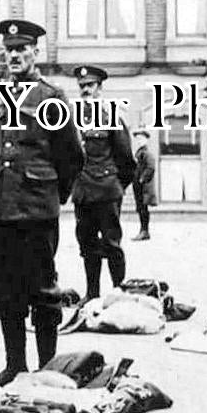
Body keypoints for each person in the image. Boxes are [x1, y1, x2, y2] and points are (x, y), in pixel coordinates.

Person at [0, 21, 84, 386]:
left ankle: (48, 368)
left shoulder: (50, 97)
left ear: (35, 53)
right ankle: (14, 366)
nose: (14, 55)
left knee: (42, 289)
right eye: (9, 50)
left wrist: (52, 196)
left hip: (36, 209)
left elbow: (72, 156)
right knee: (5, 290)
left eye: (22, 49)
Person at [70, 65, 135, 301]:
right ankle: (92, 294)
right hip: (83, 193)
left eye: (90, 85)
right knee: (87, 244)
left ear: (100, 88)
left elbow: (127, 160)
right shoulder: (73, 119)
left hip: (107, 192)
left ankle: (119, 292)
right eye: (82, 86)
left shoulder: (112, 117)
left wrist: (116, 187)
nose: (85, 90)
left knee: (111, 244)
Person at [130, 129, 156, 241]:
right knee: (140, 208)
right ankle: (143, 230)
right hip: (139, 186)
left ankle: (144, 231)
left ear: (146, 140)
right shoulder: (140, 152)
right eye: (137, 139)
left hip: (144, 187)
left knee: (143, 208)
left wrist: (141, 180)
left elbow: (151, 168)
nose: (139, 141)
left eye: (141, 138)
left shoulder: (146, 153)